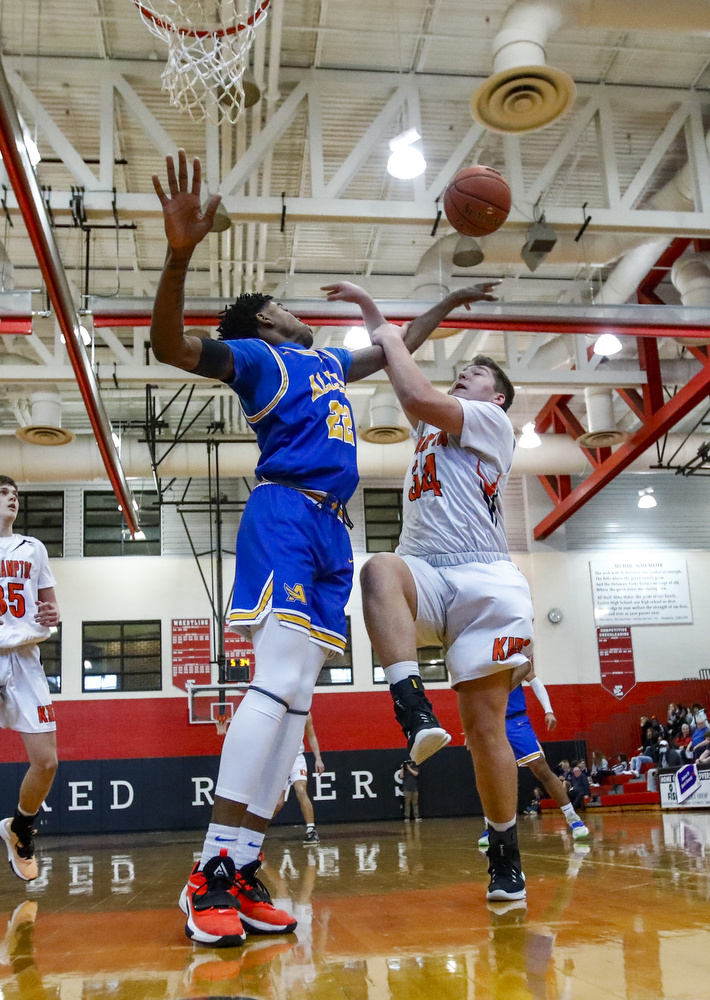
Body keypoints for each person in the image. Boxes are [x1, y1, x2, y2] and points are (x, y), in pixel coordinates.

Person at [150, 149, 498, 946]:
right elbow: (171, 347)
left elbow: (396, 348)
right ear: (267, 317)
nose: (294, 307)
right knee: (273, 691)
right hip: (285, 517)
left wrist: (446, 301)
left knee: (297, 706)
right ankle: (205, 873)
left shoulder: (327, 363)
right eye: (281, 301)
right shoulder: (260, 357)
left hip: (331, 532)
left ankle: (240, 866)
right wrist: (180, 253)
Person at [360, 323, 533, 902]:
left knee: (485, 733)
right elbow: (399, 367)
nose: (464, 376)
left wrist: (384, 333)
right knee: (379, 568)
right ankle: (413, 711)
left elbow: (410, 389)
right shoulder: (431, 429)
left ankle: (505, 854)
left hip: (485, 579)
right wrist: (372, 314)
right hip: (428, 569)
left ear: (497, 397)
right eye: (462, 372)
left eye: (476, 373)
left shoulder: (490, 421)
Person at [0, 476, 61, 883]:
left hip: (23, 657)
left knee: (47, 761)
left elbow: (51, 609)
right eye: (3, 493)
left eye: (15, 495)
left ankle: (19, 827)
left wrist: (52, 618)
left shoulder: (32, 548)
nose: (12, 499)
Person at [478, 667, 589, 848]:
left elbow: (534, 681)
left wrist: (549, 710)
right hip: (492, 723)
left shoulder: (512, 653)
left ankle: (573, 818)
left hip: (516, 721)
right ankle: (491, 827)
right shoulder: (480, 658)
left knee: (541, 768)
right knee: (492, 777)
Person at [274, 713, 324, 845]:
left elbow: (311, 736)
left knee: (301, 790)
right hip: (279, 759)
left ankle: (311, 830)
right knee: (278, 804)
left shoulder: (305, 713)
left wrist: (318, 759)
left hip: (297, 757)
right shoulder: (278, 710)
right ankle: (255, 830)